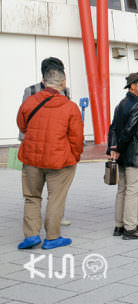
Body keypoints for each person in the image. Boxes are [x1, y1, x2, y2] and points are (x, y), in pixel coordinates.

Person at [16, 66, 83, 249]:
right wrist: (75, 156)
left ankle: (31, 235)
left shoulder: (29, 102)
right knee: (56, 198)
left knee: (31, 196)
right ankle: (52, 238)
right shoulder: (70, 107)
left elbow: (22, 126)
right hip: (59, 160)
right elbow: (76, 137)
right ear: (63, 83)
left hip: (31, 158)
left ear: (44, 82)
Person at [21, 56, 73, 227]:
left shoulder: (65, 91)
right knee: (45, 192)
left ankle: (47, 224)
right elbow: (24, 118)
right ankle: (52, 230)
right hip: (41, 149)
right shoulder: (31, 90)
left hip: (50, 148)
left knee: (45, 193)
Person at [108, 72, 138, 239]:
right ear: (133, 86)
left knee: (122, 190)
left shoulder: (121, 104)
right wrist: (118, 148)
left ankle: (119, 226)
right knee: (133, 191)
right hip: (135, 155)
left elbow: (113, 128)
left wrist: (113, 148)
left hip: (123, 156)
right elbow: (128, 131)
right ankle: (130, 228)